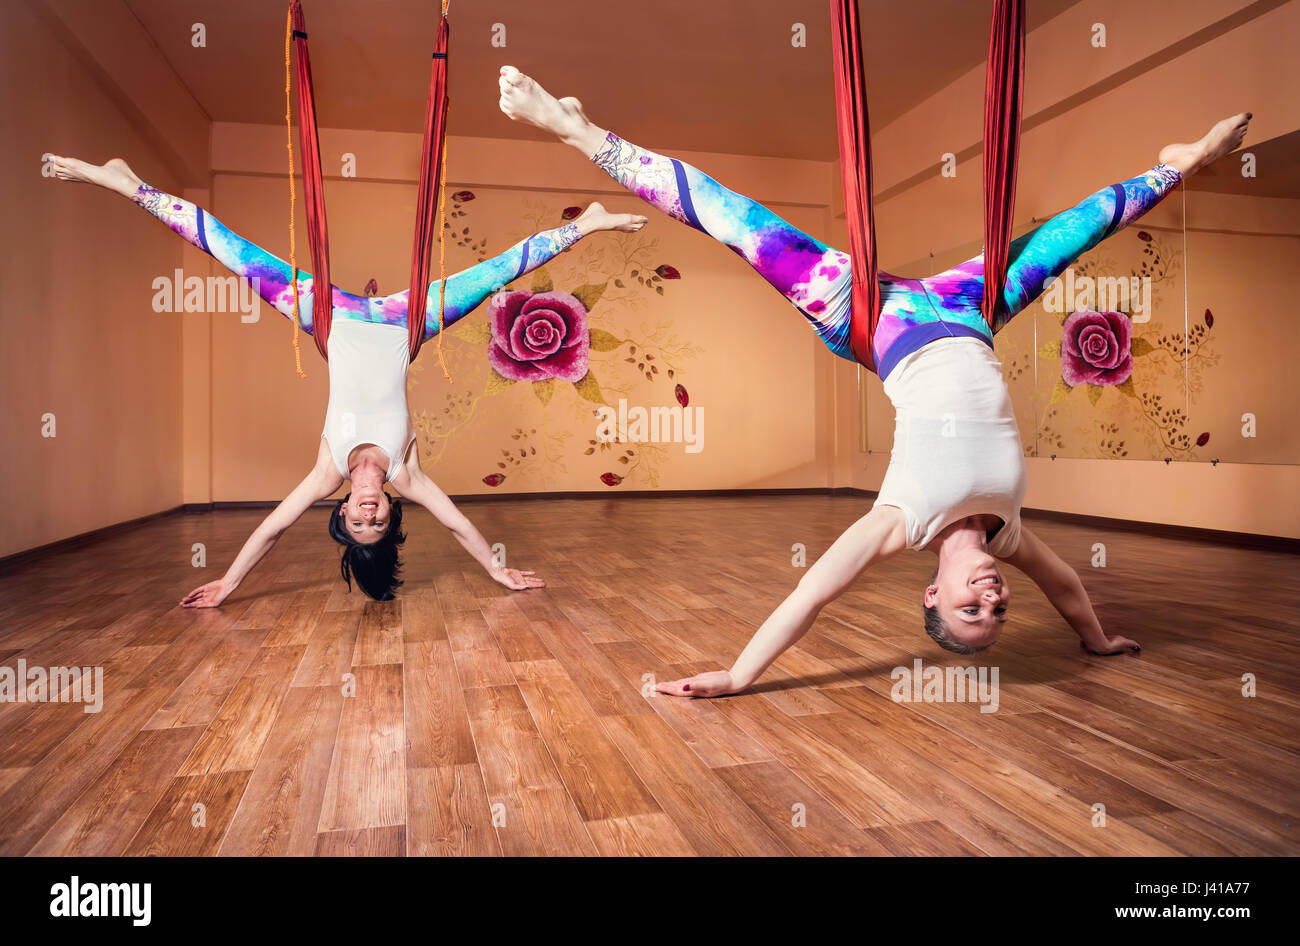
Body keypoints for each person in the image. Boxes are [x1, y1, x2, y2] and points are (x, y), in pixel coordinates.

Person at [495, 66, 1250, 695]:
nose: (990, 597)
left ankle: (579, 132)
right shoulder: (1010, 534)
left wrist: (737, 674)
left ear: (932, 594)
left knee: (734, 221)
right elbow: (1067, 591)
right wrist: (1095, 640)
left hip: (872, 322)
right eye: (996, 610)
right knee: (1070, 234)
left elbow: (810, 596)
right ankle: (1179, 161)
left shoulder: (900, 520)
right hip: (966, 310)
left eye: (969, 608)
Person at [48, 154, 647, 605]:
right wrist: (496, 570)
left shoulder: (326, 470)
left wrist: (229, 582)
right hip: (403, 322)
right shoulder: (407, 473)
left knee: (230, 251)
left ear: (340, 513)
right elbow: (461, 525)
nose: (367, 513)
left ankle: (128, 185)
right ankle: (585, 225)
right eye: (377, 521)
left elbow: (273, 528)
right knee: (499, 271)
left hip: (328, 318)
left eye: (355, 521)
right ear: (389, 511)